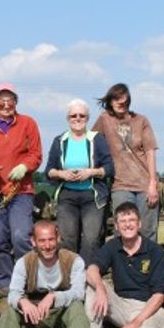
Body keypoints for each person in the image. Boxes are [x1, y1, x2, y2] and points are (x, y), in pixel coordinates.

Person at [0, 83, 42, 295]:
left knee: (22, 236)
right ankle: (5, 284)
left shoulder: (28, 123)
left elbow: (36, 154)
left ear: (16, 102)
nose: (5, 104)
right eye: (1, 100)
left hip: (21, 191)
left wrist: (25, 166)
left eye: (10, 99)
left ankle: (28, 282)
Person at [85, 202, 164, 328]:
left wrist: (136, 322)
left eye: (131, 220)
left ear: (139, 224)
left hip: (149, 308)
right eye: (123, 221)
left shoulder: (155, 251)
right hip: (121, 305)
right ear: (116, 226)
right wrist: (101, 288)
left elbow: (159, 295)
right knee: (92, 287)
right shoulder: (113, 246)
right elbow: (91, 269)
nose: (128, 224)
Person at [45, 98, 113, 265]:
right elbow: (49, 170)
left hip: (92, 195)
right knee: (68, 239)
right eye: (73, 115)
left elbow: (110, 167)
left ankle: (87, 275)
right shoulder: (59, 141)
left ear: (87, 118)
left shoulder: (96, 139)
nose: (77, 119)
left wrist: (91, 172)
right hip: (67, 195)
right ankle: (70, 277)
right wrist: (63, 174)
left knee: (91, 239)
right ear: (68, 119)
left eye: (82, 115)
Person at [92, 83, 161, 241]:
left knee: (147, 231)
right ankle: (122, 265)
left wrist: (152, 184)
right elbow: (92, 143)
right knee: (122, 230)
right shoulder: (104, 120)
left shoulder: (141, 120)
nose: (120, 104)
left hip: (144, 183)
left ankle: (147, 265)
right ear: (110, 101)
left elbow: (150, 151)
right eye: (116, 100)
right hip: (120, 184)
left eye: (124, 101)